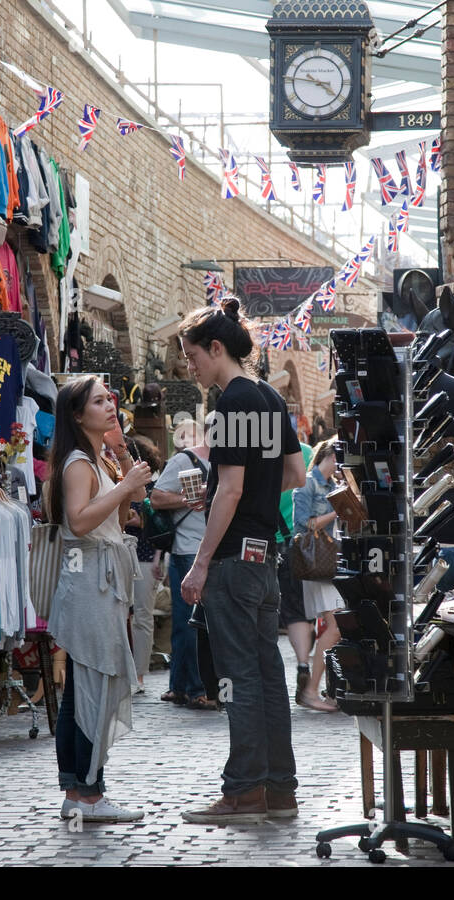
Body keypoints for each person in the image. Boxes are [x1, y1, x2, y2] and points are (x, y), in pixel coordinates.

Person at [177, 297, 307, 824]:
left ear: (216, 348)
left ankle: (243, 790)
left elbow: (228, 489)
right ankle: (280, 790)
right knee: (267, 675)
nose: (188, 367)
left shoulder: (230, 404)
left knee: (238, 678)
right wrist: (254, 490)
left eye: (191, 356)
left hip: (233, 560)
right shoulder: (270, 399)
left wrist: (200, 562)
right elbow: (297, 474)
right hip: (265, 557)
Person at [45, 376, 151, 823]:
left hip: (100, 582)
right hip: (88, 582)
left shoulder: (98, 458)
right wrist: (123, 487)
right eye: (99, 401)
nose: (110, 407)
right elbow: (79, 521)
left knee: (84, 691)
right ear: (76, 414)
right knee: (91, 690)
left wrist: (123, 457)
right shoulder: (77, 464)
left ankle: (78, 790)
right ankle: (89, 795)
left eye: (110, 400)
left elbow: (134, 506)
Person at [150, 419, 216, 710]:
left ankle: (178, 685)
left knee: (192, 624)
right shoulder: (184, 460)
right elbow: (156, 498)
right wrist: (190, 498)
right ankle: (195, 687)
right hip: (188, 550)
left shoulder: (233, 462)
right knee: (190, 625)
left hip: (213, 550)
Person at [291, 438, 345, 712]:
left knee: (336, 628)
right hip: (315, 563)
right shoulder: (308, 483)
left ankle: (324, 689)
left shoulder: (334, 486)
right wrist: (337, 510)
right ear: (330, 455)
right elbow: (301, 524)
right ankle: (310, 690)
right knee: (334, 628)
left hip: (328, 563)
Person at [124, 434, 164, 694]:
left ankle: (138, 674)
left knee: (141, 617)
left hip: (146, 556)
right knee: (125, 616)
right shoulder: (122, 484)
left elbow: (155, 525)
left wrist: (160, 558)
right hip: (124, 554)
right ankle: (127, 672)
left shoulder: (151, 489)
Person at [277, 440, 315, 703]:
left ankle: (302, 663)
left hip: (272, 538)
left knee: (292, 609)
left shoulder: (258, 448)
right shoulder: (305, 451)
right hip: (305, 542)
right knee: (311, 606)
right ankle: (308, 662)